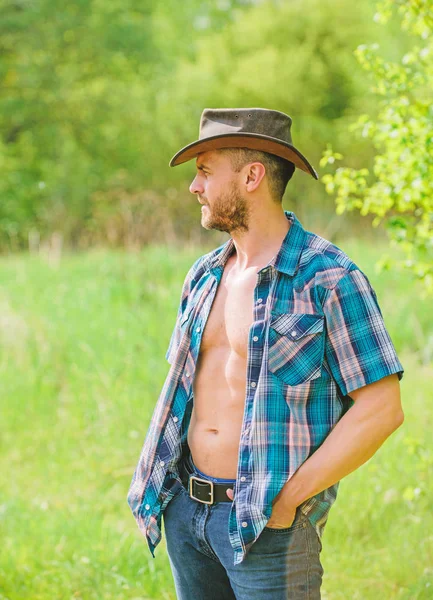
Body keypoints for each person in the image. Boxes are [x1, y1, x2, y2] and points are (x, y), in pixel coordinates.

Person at [127, 108, 405, 599]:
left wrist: (289, 500)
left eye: (206, 172)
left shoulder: (330, 278)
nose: (195, 187)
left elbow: (381, 409)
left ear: (252, 176)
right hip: (187, 509)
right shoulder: (205, 274)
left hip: (267, 525)